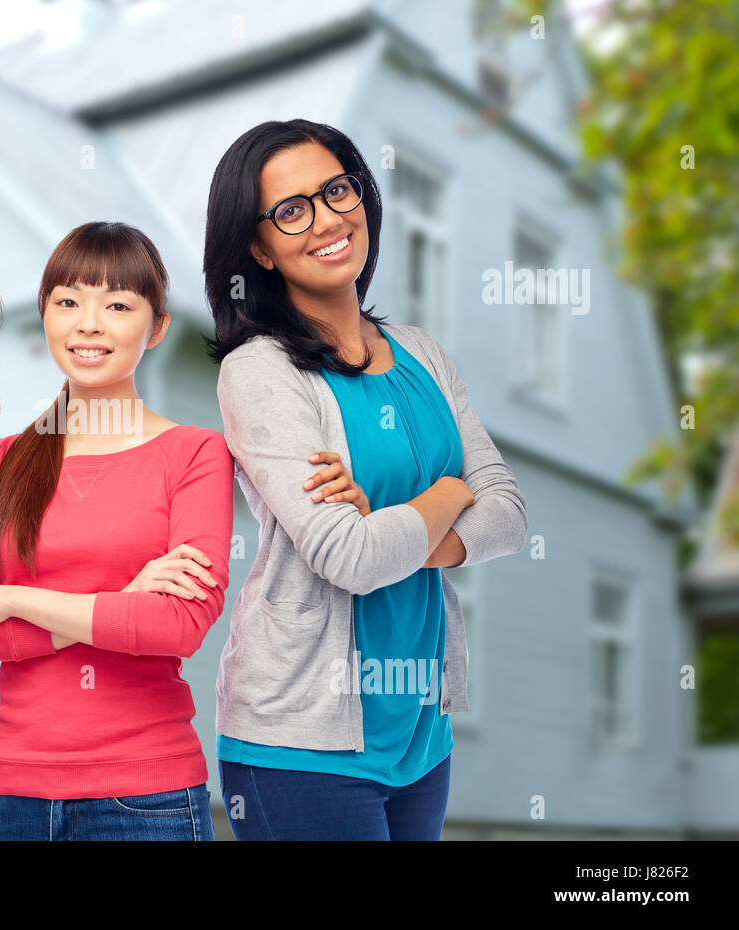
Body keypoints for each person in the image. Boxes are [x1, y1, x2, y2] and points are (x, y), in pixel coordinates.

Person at [204, 119, 528, 840]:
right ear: (258, 245)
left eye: (337, 190)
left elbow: (509, 512)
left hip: (421, 732)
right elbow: (348, 560)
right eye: (291, 210)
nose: (327, 219)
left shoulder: (422, 353)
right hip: (301, 742)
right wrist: (447, 495)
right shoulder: (260, 373)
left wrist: (396, 526)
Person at [0, 221, 234, 841]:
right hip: (11, 795)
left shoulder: (196, 454)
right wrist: (119, 605)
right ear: (45, 317)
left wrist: (6, 599)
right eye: (68, 302)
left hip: (149, 797)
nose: (88, 323)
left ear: (157, 327)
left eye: (117, 305)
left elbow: (177, 624)